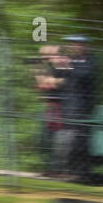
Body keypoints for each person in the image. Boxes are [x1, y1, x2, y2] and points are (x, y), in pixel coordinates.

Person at [50, 35, 97, 180]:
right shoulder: (67, 60)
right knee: (66, 140)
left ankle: (81, 172)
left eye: (78, 44)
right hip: (66, 106)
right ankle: (66, 170)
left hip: (82, 106)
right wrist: (53, 61)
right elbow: (56, 75)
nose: (75, 46)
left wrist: (67, 65)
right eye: (72, 44)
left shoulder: (90, 61)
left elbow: (83, 74)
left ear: (85, 46)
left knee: (80, 140)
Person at [33, 44, 64, 175]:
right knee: (45, 138)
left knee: (57, 139)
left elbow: (56, 83)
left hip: (60, 107)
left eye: (50, 55)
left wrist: (49, 81)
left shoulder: (64, 67)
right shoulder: (47, 68)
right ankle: (50, 168)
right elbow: (41, 83)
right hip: (49, 107)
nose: (46, 58)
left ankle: (58, 169)